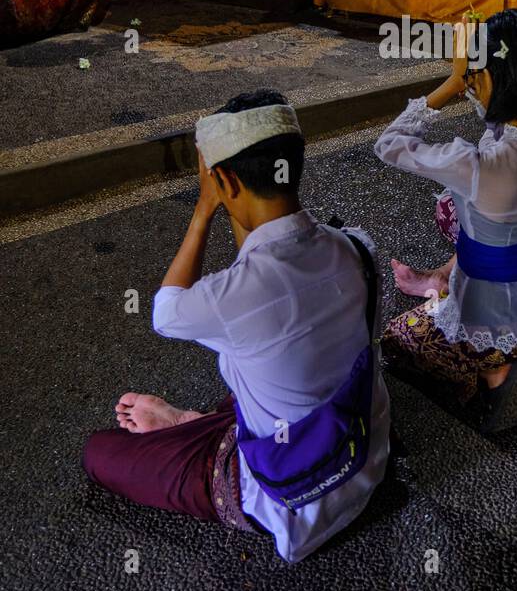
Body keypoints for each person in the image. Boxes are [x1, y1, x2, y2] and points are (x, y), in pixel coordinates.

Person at [82, 90, 390, 563]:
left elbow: (165, 312)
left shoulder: (230, 297)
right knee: (264, 361)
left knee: (101, 453)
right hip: (363, 456)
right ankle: (191, 423)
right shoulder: (355, 248)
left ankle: (192, 429)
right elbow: (264, 256)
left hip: (296, 495)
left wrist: (204, 210)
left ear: (222, 179)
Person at [375, 9, 517, 431]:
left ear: (488, 81)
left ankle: (494, 376)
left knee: (397, 338)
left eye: (475, 78)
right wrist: (482, 75)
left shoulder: (476, 165)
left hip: (483, 315)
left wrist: (451, 82)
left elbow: (389, 144)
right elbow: (506, 118)